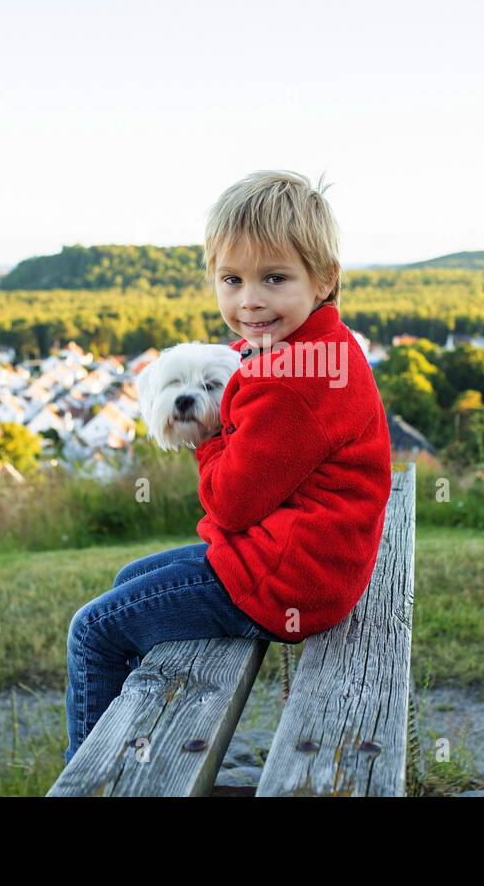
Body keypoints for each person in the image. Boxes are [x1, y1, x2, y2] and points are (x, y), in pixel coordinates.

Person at [63, 169, 393, 766]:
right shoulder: (320, 348)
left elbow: (230, 504)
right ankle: (144, 741)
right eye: (232, 280)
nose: (250, 300)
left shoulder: (288, 383)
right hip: (308, 559)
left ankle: (95, 778)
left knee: (93, 632)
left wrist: (209, 434)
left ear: (324, 281)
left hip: (285, 580)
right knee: (127, 581)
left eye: (274, 278)